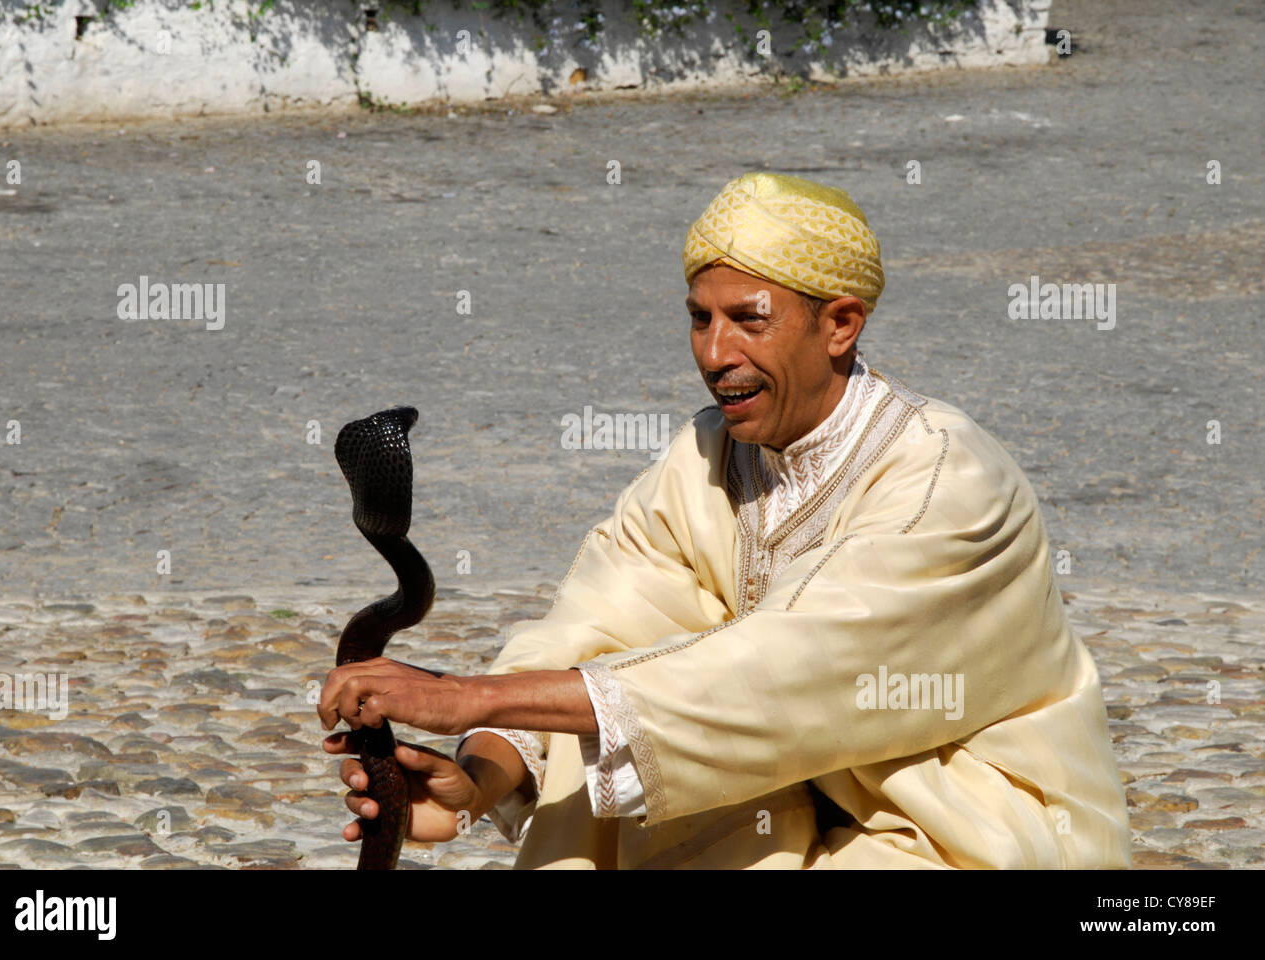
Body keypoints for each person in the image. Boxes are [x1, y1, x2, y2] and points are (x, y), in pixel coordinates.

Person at [320, 172, 1132, 869]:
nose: (714, 353)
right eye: (699, 318)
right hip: (796, 795)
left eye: (749, 318)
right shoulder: (706, 455)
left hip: (954, 821)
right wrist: (483, 774)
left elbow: (782, 675)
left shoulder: (946, 480)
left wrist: (472, 697)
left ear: (840, 324)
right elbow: (595, 622)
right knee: (596, 712)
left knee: (622, 707)